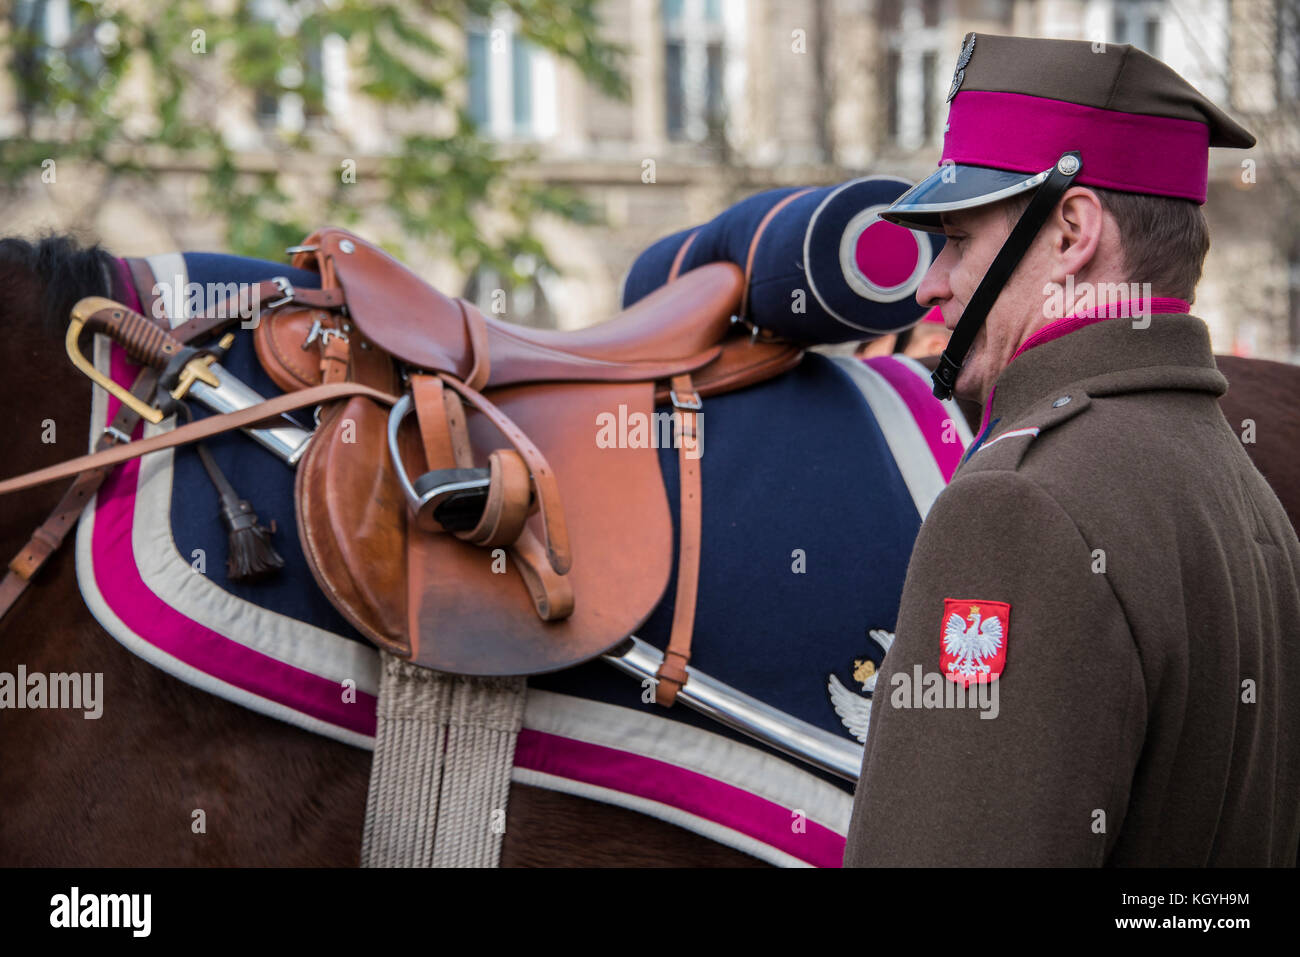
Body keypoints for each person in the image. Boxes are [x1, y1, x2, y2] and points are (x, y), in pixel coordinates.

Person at [842, 33, 1300, 866]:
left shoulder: (1022, 503)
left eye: (957, 240)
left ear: (1071, 232)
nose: (928, 284)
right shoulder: (1246, 491)